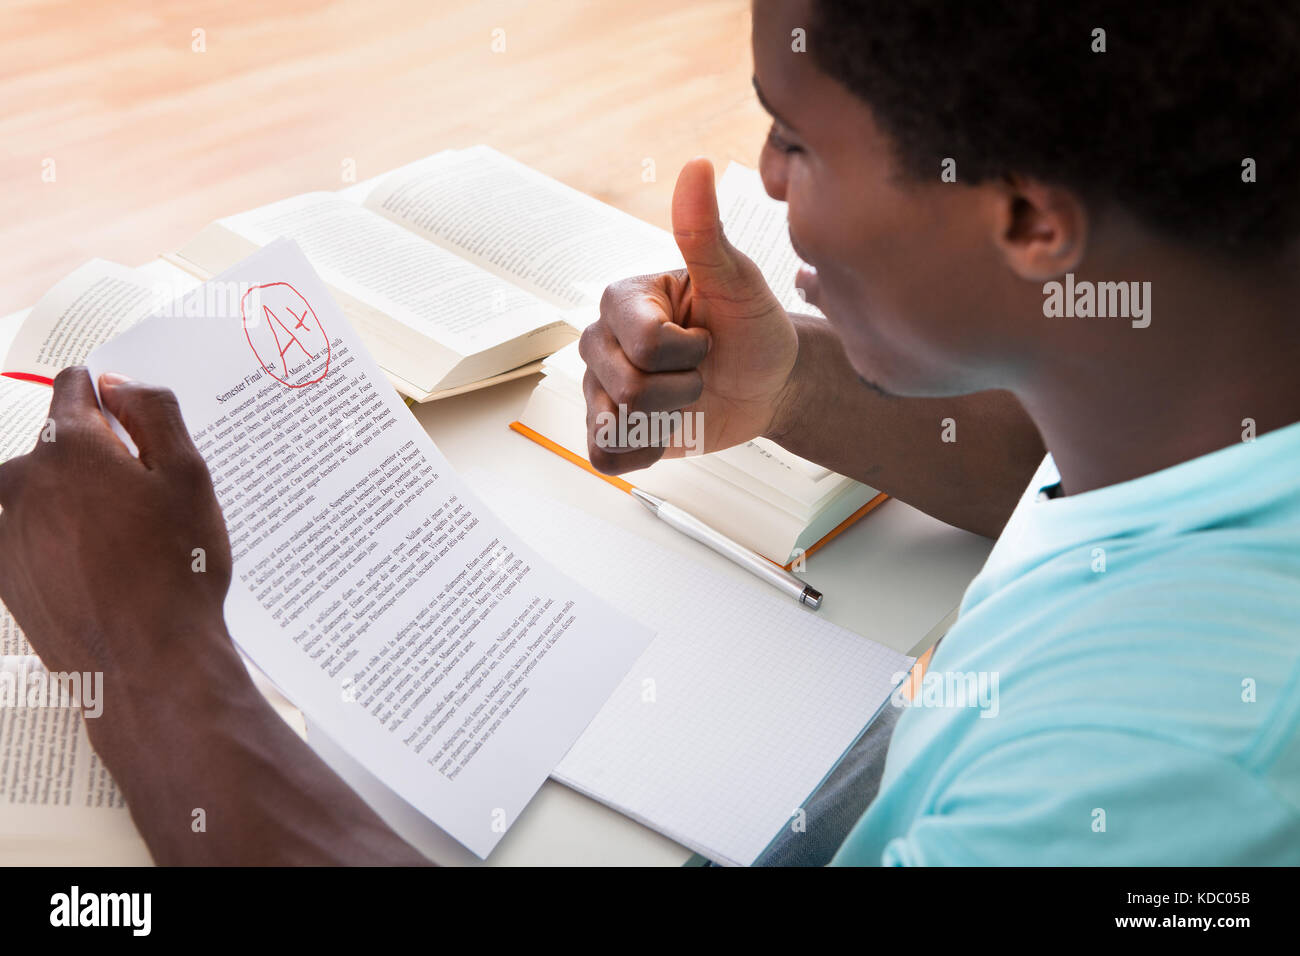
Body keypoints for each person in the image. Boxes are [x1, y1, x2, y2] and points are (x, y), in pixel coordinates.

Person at [2, 0, 1297, 865]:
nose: (767, 180)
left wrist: (153, 655)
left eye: (797, 138)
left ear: (1028, 222)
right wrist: (789, 385)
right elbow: (1072, 469)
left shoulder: (1155, 782)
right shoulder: (1217, 395)